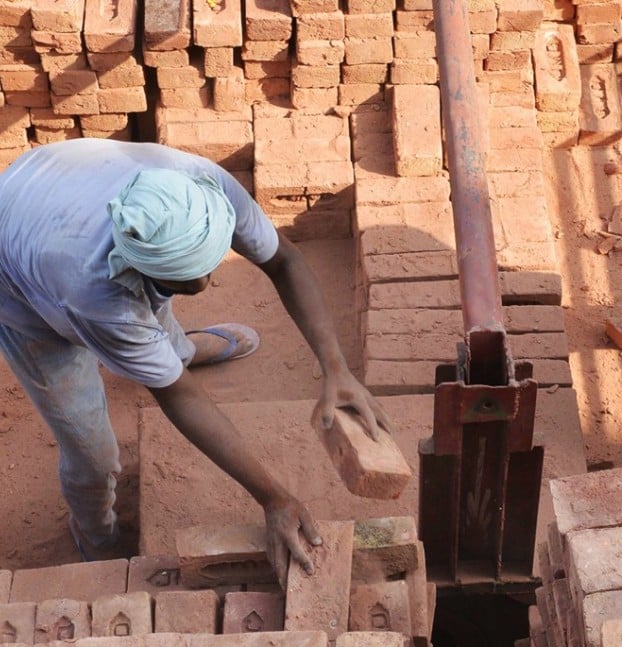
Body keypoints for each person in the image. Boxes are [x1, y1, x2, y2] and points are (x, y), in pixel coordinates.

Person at [0, 138, 393, 582]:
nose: (206, 283)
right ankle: (95, 534)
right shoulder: (94, 294)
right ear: (136, 266)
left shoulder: (202, 190)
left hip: (59, 177)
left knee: (154, 325)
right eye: (186, 278)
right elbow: (177, 397)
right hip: (19, 282)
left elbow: (285, 261)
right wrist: (273, 498)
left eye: (209, 264)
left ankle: (177, 351)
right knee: (93, 454)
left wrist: (335, 367)